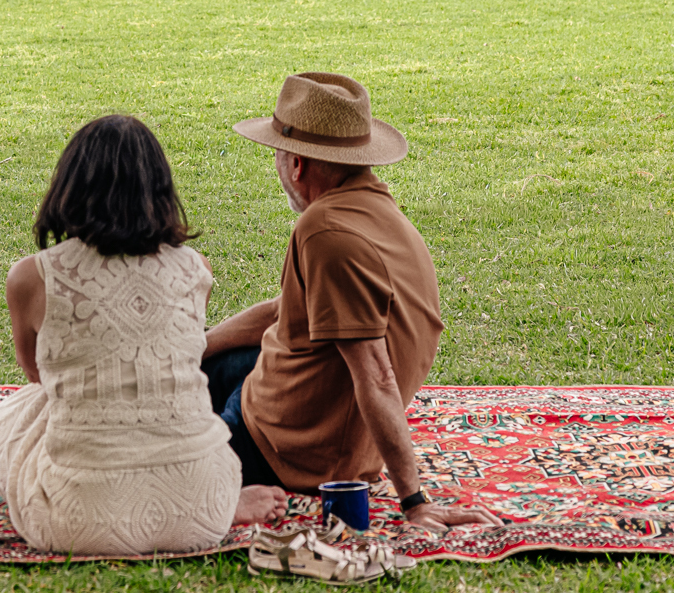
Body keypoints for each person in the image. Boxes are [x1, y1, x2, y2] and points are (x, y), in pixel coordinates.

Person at [204, 72, 498, 531]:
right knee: (202, 366)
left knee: (154, 451)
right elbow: (291, 309)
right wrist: (198, 344)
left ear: (297, 163)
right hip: (301, 405)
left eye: (278, 155)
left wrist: (415, 501)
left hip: (286, 452)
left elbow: (376, 376)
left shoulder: (324, 231)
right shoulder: (375, 209)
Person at [0, 116, 286, 556]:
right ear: (161, 191)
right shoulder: (195, 269)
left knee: (11, 417)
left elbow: (36, 376)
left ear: (68, 185)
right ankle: (202, 501)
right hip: (205, 508)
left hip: (77, 520)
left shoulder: (33, 277)